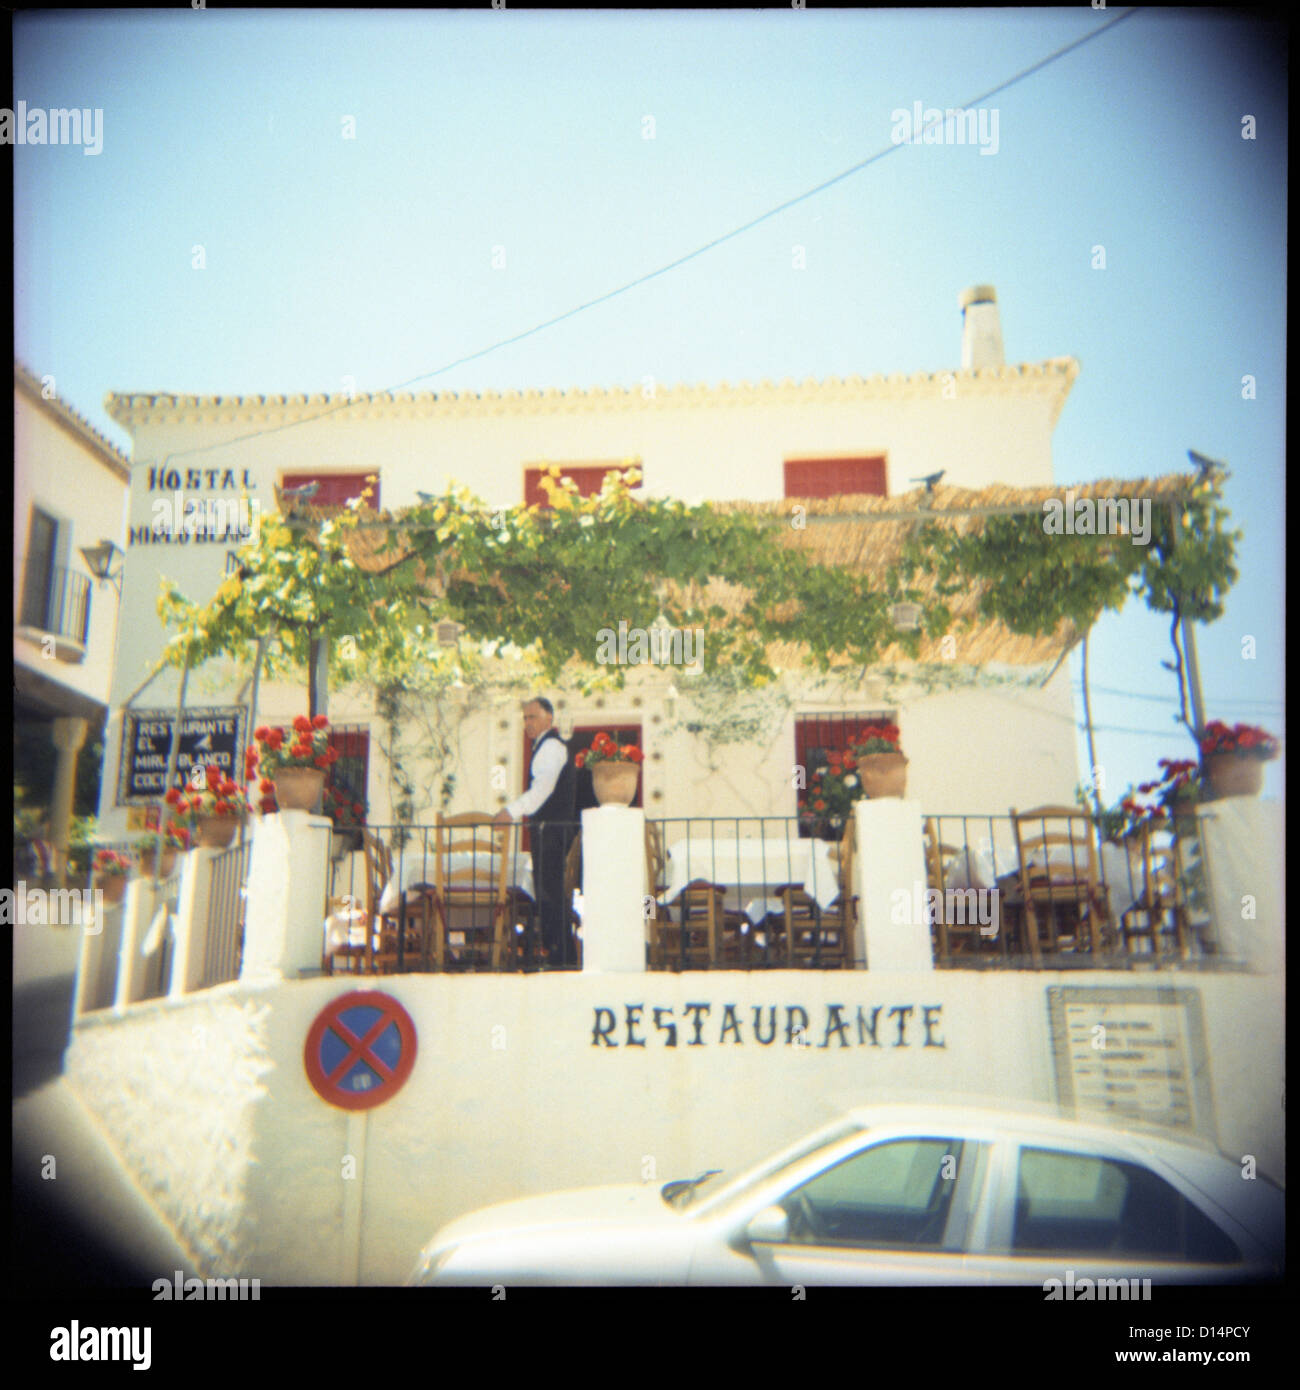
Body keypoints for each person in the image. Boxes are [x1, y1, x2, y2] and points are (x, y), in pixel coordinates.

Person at [494, 698, 577, 968]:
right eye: (525, 718)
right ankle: (558, 956)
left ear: (549, 719)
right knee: (548, 894)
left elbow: (542, 789)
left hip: (551, 832)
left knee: (551, 895)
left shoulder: (551, 746)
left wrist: (511, 812)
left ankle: (560, 958)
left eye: (533, 717)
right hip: (547, 831)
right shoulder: (543, 746)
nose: (527, 723)